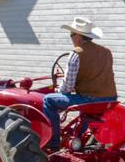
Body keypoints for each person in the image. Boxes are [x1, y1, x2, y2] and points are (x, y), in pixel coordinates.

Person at [43, 17, 118, 150]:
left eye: (71, 35)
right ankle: (80, 139)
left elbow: (67, 87)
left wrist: (57, 91)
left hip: (89, 100)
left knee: (48, 100)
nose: (71, 38)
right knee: (86, 110)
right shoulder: (106, 52)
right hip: (110, 101)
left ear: (78, 36)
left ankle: (53, 144)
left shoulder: (76, 54)